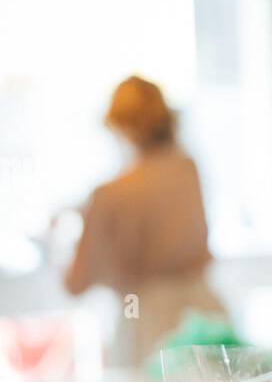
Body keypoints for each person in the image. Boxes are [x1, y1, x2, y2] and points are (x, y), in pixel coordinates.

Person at [64, 76, 227, 365]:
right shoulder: (188, 170)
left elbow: (75, 283)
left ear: (119, 126)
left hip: (143, 321)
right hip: (203, 314)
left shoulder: (109, 194)